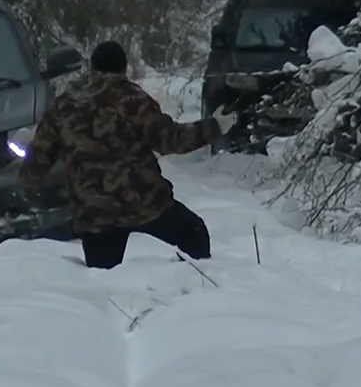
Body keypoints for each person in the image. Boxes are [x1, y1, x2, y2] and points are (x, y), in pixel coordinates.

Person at [17, 40, 237, 269]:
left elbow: (40, 155)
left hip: (93, 211)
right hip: (142, 202)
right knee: (194, 234)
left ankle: (108, 303)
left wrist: (26, 190)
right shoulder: (132, 99)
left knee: (103, 276)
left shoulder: (63, 105)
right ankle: (198, 286)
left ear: (92, 67)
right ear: (123, 68)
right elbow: (172, 139)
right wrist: (216, 126)